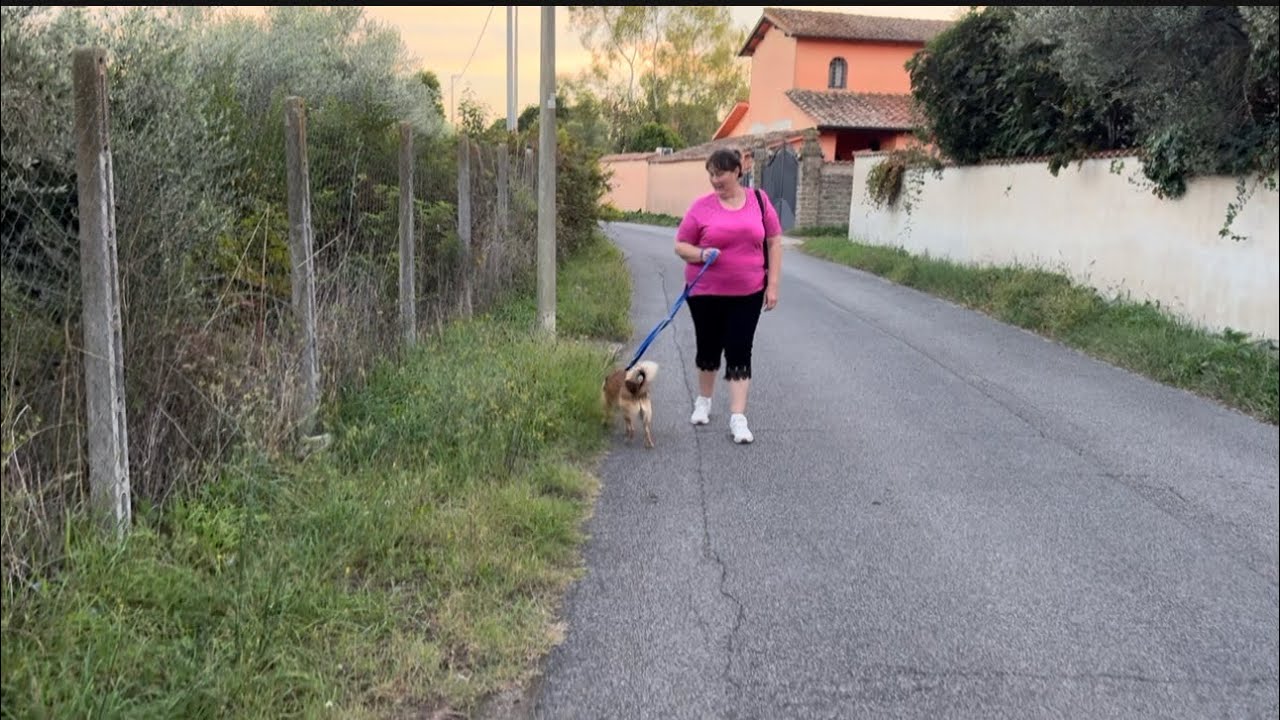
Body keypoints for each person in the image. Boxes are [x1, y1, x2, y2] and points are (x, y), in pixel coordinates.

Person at [673, 147, 783, 444]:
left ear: (737, 171)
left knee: (739, 348)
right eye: (710, 174)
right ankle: (704, 401)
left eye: (720, 173)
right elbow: (680, 245)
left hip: (748, 292)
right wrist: (700, 253)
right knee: (708, 347)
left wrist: (772, 285)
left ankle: (738, 418)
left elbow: (773, 242)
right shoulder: (701, 207)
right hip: (705, 291)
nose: (714, 180)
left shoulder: (759, 202)